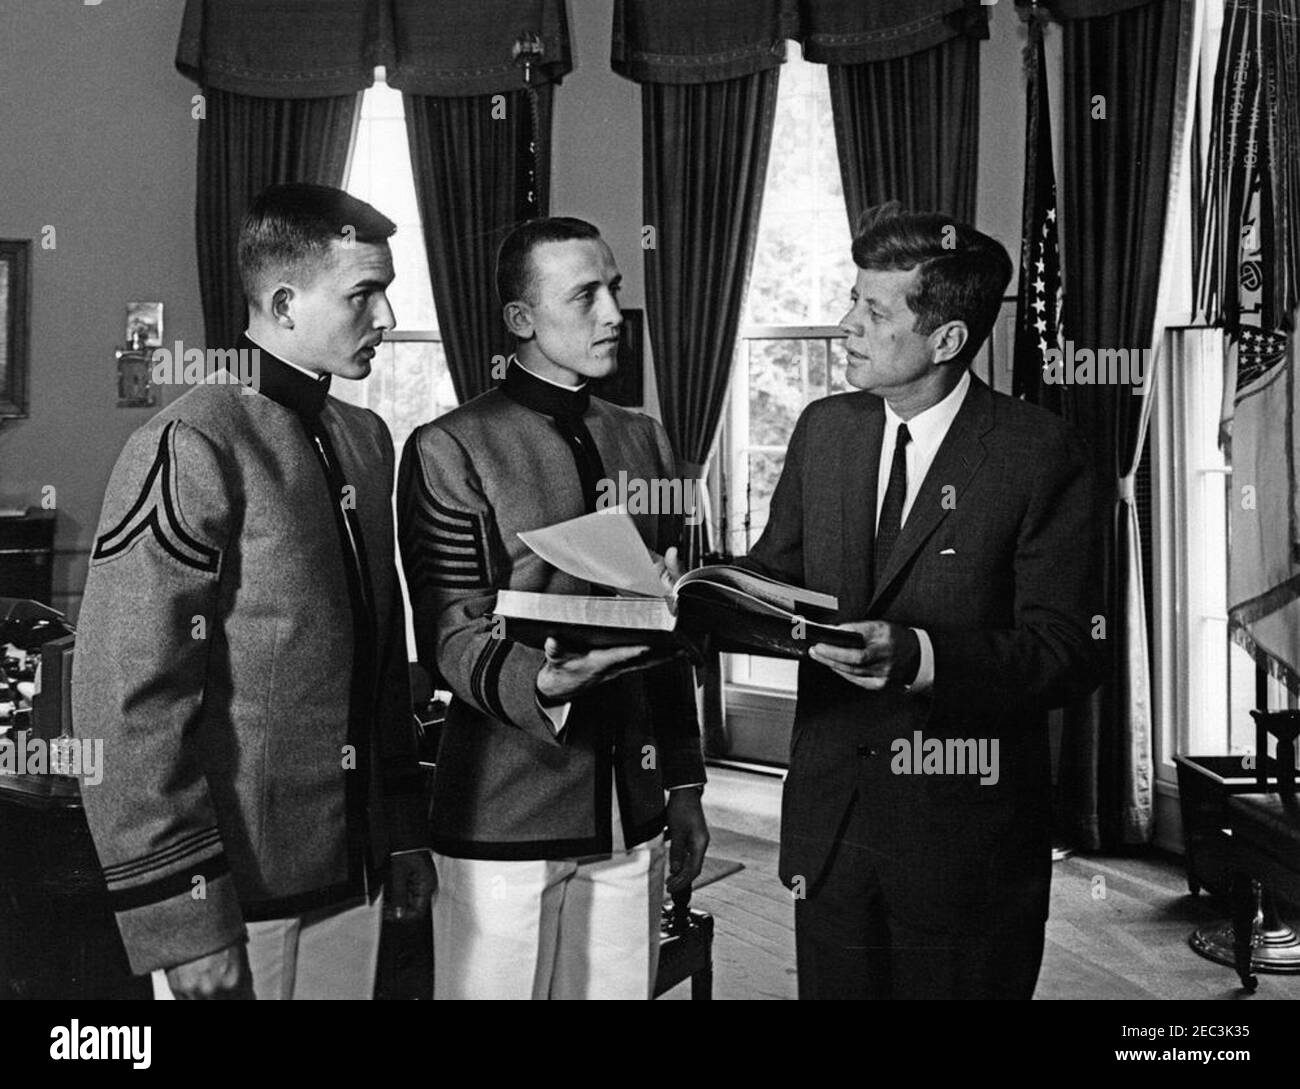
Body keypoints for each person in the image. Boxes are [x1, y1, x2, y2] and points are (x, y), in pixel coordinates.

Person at [75, 182, 435, 1000]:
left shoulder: (365, 439)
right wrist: (181, 911)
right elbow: (127, 699)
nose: (385, 316)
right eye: (363, 293)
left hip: (356, 873)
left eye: (385, 291)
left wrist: (401, 831)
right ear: (282, 301)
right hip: (237, 895)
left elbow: (383, 664)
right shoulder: (191, 438)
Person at [744, 202, 1105, 1000]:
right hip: (831, 835)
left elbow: (1068, 650)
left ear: (946, 340)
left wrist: (920, 656)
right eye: (853, 300)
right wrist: (687, 587)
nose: (845, 325)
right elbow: (775, 579)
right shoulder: (823, 430)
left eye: (873, 311)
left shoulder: (1042, 453)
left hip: (965, 853)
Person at [397, 216, 708, 1000]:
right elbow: (451, 631)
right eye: (586, 295)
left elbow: (667, 631)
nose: (612, 314)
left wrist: (685, 785)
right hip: (503, 813)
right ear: (521, 321)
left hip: (631, 814)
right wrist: (544, 682)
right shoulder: (450, 445)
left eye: (614, 288)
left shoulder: (646, 439)